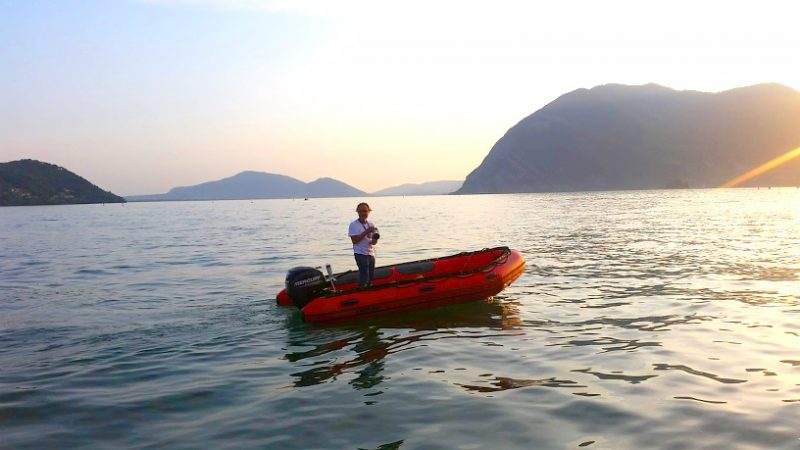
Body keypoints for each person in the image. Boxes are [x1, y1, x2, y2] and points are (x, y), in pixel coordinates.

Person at [348, 202, 379, 288]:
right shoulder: (353, 225)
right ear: (357, 212)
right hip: (360, 253)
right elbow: (354, 241)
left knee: (371, 276)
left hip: (370, 253)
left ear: (368, 212)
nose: (363, 213)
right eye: (361, 211)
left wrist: (375, 238)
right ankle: (361, 290)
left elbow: (373, 243)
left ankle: (368, 291)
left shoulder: (370, 224)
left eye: (365, 211)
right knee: (364, 275)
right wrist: (367, 231)